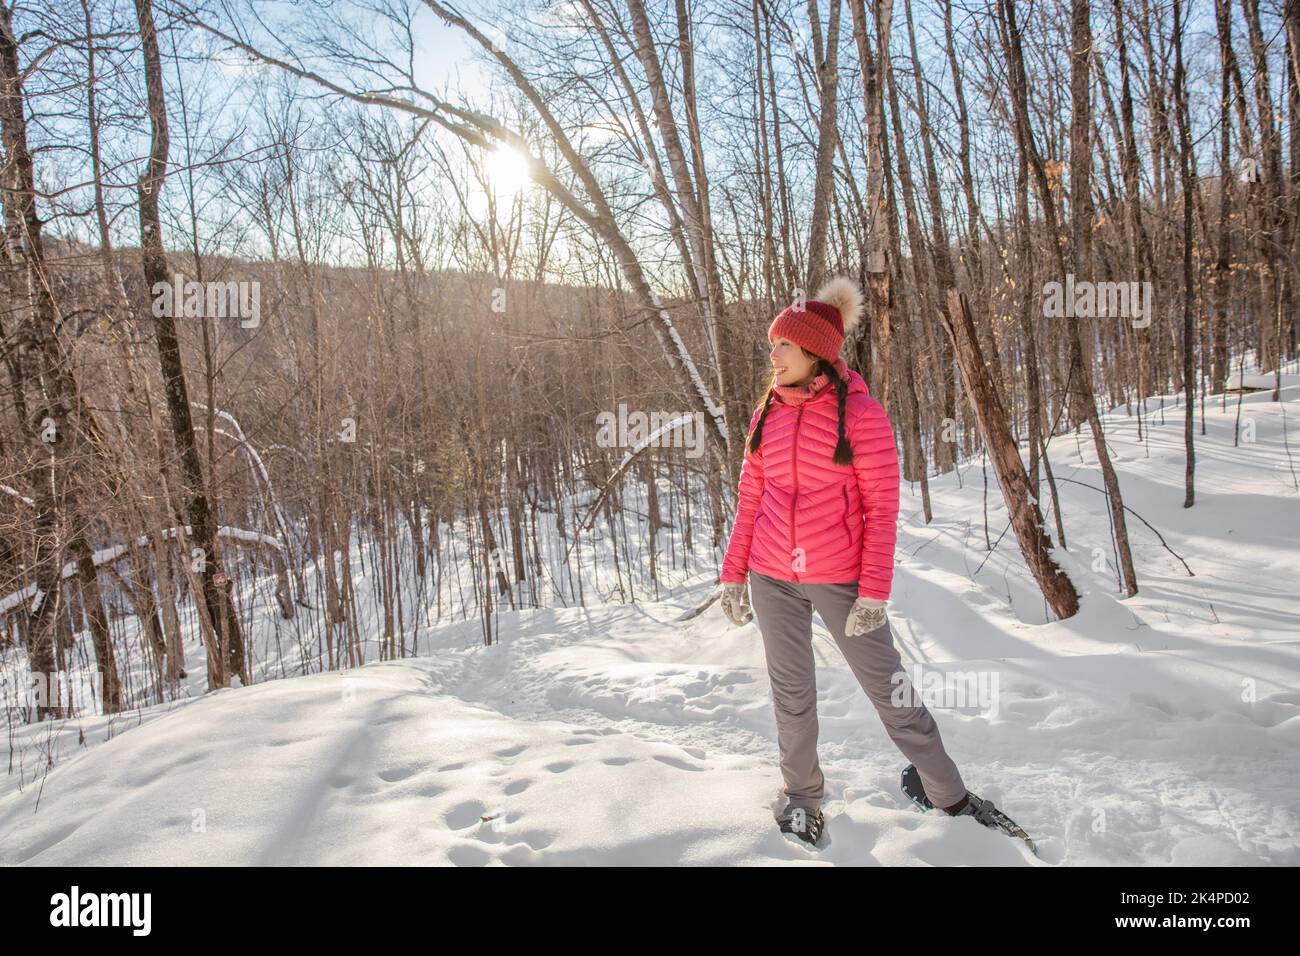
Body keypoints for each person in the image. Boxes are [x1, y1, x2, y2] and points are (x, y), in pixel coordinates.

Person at [717, 277, 997, 848]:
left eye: (783, 346)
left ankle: (949, 794)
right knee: (790, 694)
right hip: (773, 576)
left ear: (815, 352)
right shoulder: (764, 415)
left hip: (839, 579)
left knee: (888, 689)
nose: (772, 355)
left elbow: (881, 509)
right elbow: (751, 499)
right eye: (772, 345)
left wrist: (873, 591)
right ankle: (802, 798)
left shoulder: (862, 417)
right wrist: (734, 573)